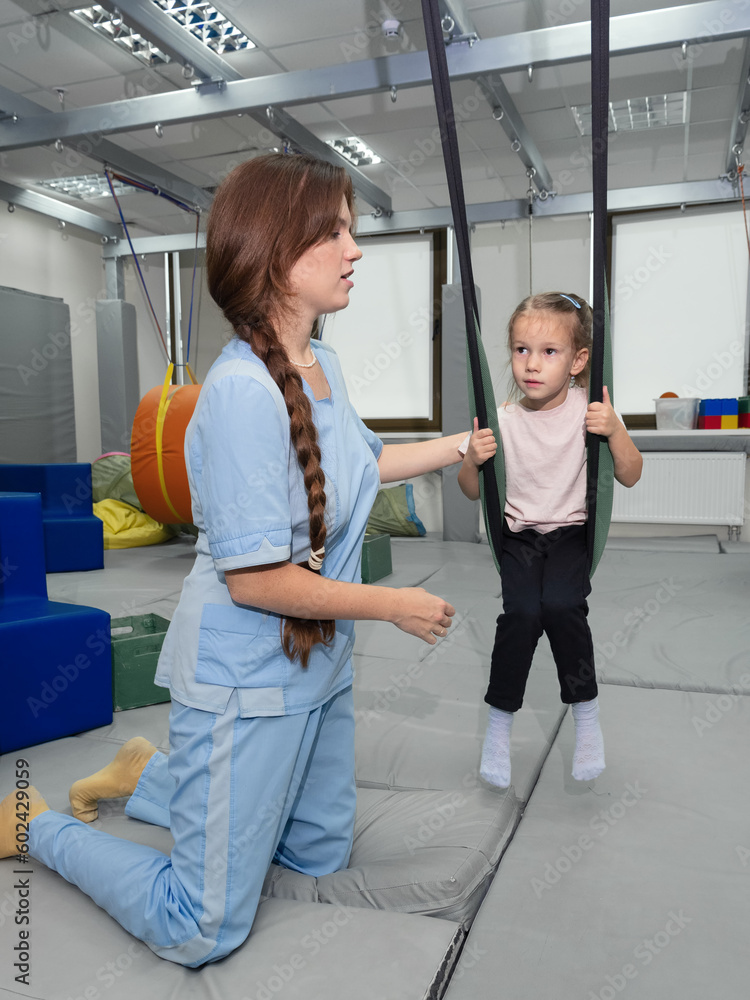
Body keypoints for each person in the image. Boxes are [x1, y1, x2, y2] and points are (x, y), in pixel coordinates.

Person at [0, 153, 467, 967]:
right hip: (249, 677)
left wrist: (467, 444)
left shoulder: (328, 367)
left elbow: (362, 467)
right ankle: (33, 822)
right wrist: (394, 604)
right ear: (278, 253)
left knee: (318, 858)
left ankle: (152, 779)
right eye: (337, 232)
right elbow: (256, 582)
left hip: (321, 665)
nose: (356, 249)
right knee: (200, 926)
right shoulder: (242, 392)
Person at [457, 291, 642, 789]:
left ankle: (586, 718)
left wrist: (615, 432)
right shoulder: (503, 419)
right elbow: (471, 489)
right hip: (518, 536)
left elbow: (631, 474)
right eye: (521, 350)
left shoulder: (592, 411)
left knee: (561, 608)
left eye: (548, 352)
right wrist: (472, 460)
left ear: (579, 361)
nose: (531, 365)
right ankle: (499, 726)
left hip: (569, 536)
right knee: (521, 615)